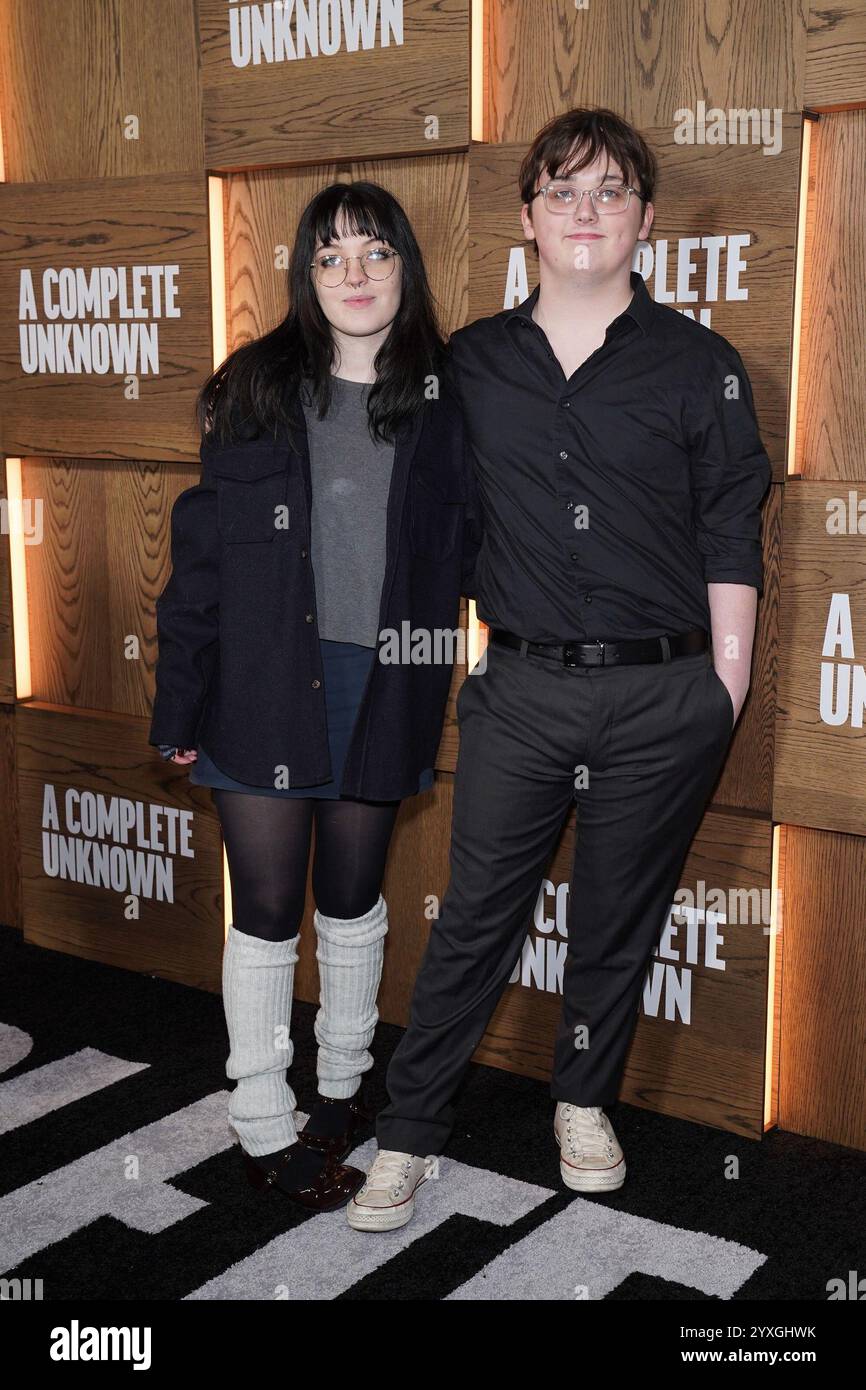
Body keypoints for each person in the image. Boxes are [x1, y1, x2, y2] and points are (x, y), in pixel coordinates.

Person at [348, 107, 772, 1231]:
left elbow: (733, 528)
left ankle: (582, 1101)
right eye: (562, 191)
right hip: (522, 691)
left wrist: (720, 689)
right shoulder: (472, 365)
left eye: (609, 191)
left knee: (615, 920)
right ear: (526, 216)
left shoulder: (701, 366)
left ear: (642, 217)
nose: (585, 210)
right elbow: (411, 501)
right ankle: (407, 1131)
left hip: (663, 696)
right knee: (475, 916)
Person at [148, 180, 481, 1211]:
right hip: (257, 686)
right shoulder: (251, 386)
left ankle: (340, 1085)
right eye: (330, 255)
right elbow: (199, 563)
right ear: (305, 275)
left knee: (349, 898)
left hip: (381, 682)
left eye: (375, 253)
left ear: (405, 270)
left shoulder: (444, 396)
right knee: (263, 911)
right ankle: (258, 1119)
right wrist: (180, 705)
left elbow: (472, 544)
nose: (353, 274)